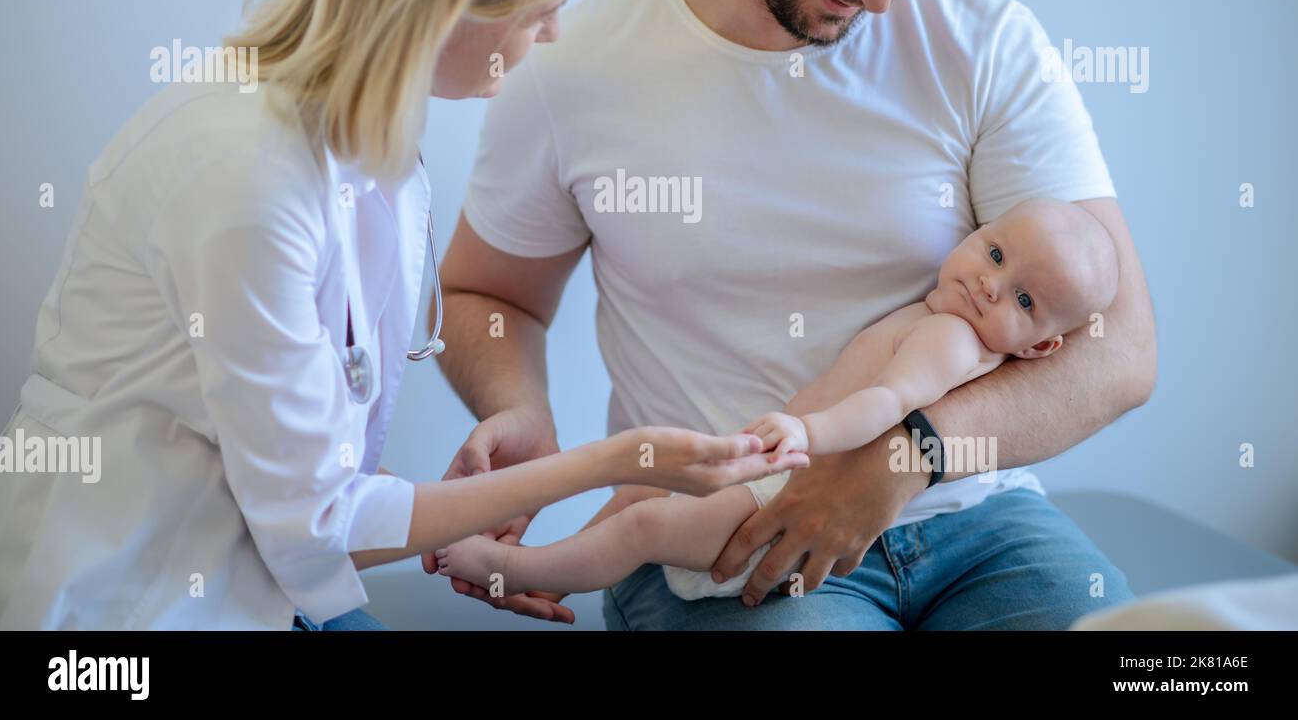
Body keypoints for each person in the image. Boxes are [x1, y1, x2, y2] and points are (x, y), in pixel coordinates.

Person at [0, 0, 803, 631]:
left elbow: (309, 482)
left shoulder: (367, 150)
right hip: (125, 611)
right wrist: (612, 463)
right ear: (447, 2)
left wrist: (482, 494)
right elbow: (316, 525)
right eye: (539, 10)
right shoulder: (241, 175)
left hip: (259, 580)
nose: (554, 33)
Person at [432, 0, 1157, 629]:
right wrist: (520, 411)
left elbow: (1118, 349)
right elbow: (486, 293)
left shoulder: (989, 44)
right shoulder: (569, 64)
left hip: (977, 519)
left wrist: (898, 462)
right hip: (724, 534)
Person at [434, 198, 1122, 601]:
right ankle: (558, 571)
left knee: (644, 527)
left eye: (1024, 300)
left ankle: (517, 569)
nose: (992, 285)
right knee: (641, 490)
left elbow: (887, 405)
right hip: (780, 467)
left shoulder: (950, 338)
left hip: (797, 486)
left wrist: (807, 432)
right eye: (995, 254)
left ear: (1040, 347)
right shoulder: (946, 314)